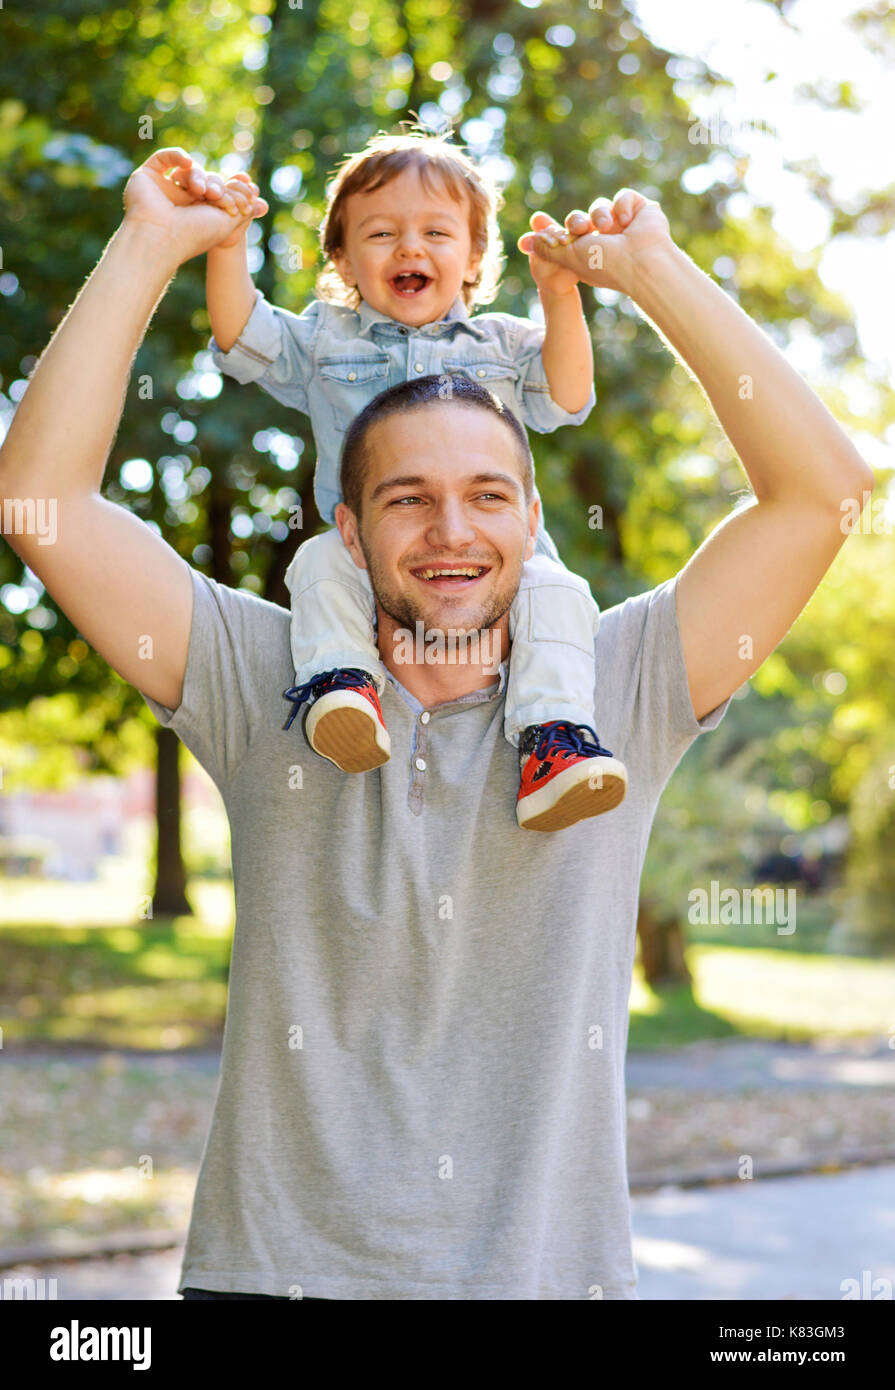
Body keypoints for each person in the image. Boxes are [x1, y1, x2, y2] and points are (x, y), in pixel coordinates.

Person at [0, 149, 872, 1300]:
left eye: (488, 495)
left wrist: (652, 271)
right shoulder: (269, 677)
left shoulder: (619, 686)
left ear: (531, 517)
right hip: (273, 1278)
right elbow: (43, 503)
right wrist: (153, 243)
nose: (449, 529)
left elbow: (824, 495)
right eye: (406, 497)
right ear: (349, 533)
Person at [165, 129, 628, 832]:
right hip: (370, 555)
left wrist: (559, 294)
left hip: (488, 557)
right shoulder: (327, 339)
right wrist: (227, 246)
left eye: (435, 232)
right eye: (381, 233)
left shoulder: (499, 346)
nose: (410, 248)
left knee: (561, 593)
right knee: (316, 561)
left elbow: (565, 397)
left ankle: (552, 743)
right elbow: (242, 338)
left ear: (473, 257)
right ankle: (344, 687)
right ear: (343, 258)